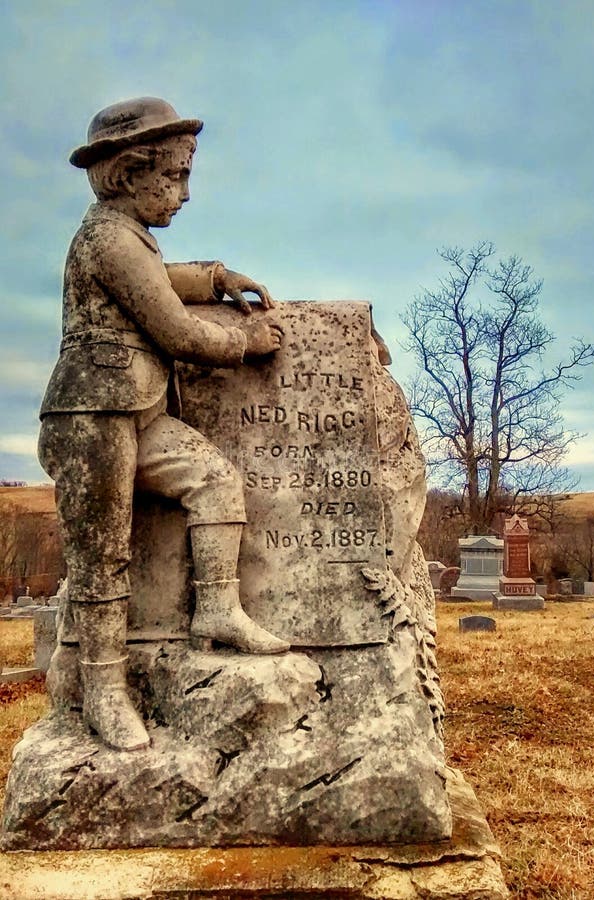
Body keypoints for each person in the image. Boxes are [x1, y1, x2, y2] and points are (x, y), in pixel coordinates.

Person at [39, 97, 289, 753]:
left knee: (215, 483)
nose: (182, 193)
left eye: (184, 176)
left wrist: (215, 277)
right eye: (172, 177)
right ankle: (103, 692)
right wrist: (246, 342)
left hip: (138, 409)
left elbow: (165, 279)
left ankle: (217, 609)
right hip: (90, 415)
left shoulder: (128, 238)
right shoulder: (105, 240)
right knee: (103, 557)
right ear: (128, 175)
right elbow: (173, 330)